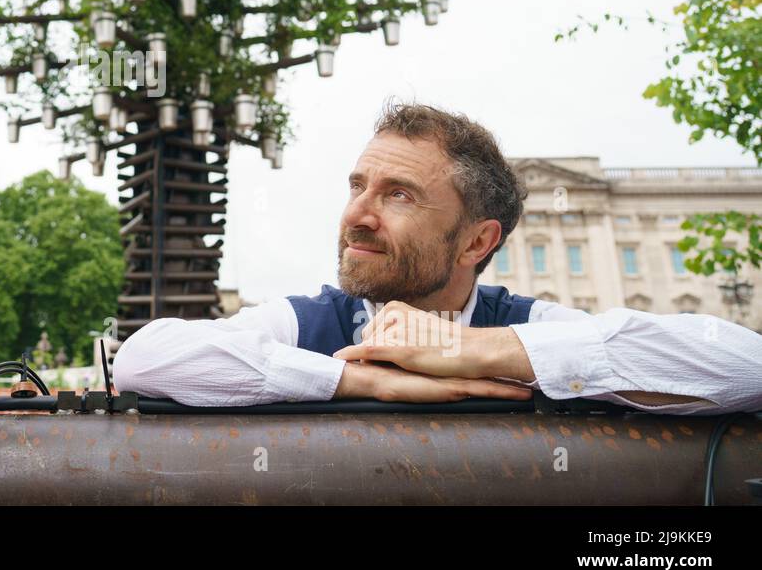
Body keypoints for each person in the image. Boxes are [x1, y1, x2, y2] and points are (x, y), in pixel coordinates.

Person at [111, 102, 762, 413]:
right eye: (356, 186)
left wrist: (474, 351)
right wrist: (361, 380)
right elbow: (143, 358)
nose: (357, 214)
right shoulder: (308, 323)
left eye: (397, 195)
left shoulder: (528, 327)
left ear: (477, 242)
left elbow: (749, 368)